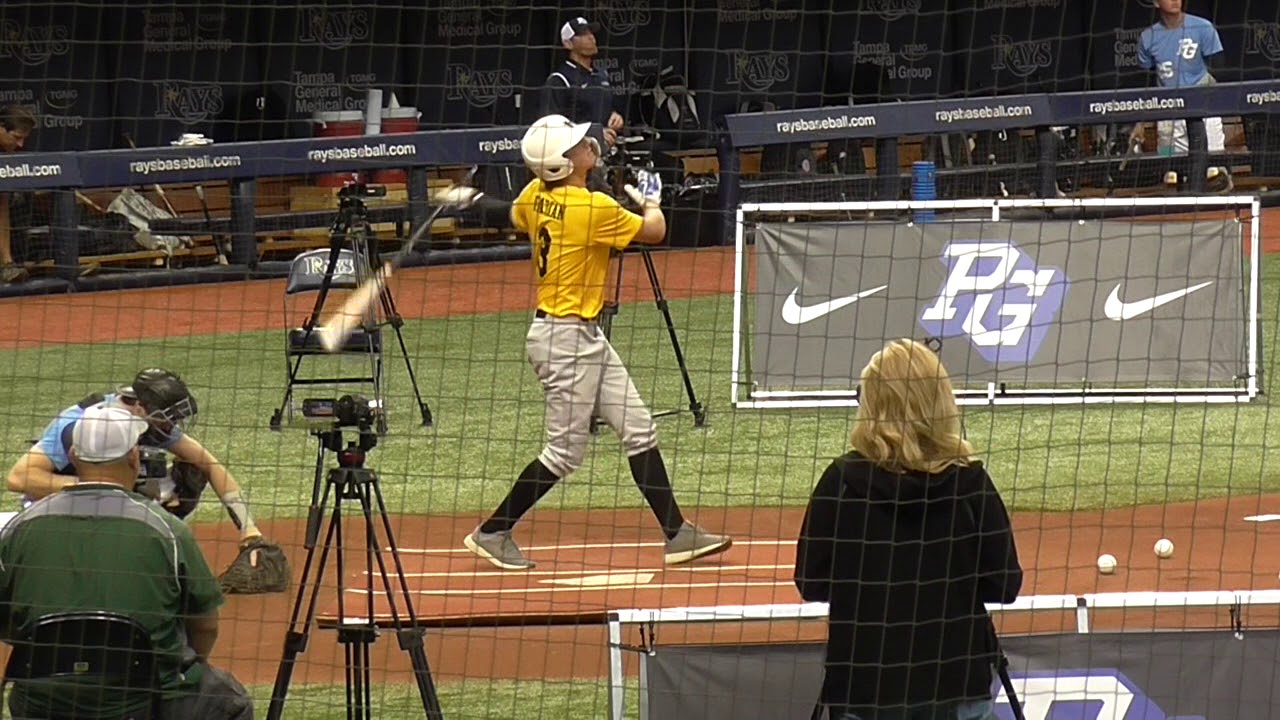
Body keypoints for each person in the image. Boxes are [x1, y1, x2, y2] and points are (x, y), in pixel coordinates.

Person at [440, 114, 732, 570]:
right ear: (562, 164)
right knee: (564, 452)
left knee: (638, 427)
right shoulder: (591, 208)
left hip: (580, 334)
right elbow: (655, 232)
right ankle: (494, 531)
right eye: (577, 144)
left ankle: (678, 533)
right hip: (565, 340)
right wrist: (651, 201)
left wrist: (472, 198)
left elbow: (509, 213)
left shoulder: (538, 195)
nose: (587, 145)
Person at [794, 339, 1023, 720]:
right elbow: (1005, 585)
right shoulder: (970, 483)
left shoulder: (842, 482)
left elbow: (811, 582)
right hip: (957, 683)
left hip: (864, 688)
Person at [0, 403, 253, 720]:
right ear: (134, 457)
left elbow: (7, 621)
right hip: (144, 701)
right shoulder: (167, 530)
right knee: (232, 702)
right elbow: (205, 625)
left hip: (42, 703)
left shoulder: (19, 530)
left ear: (75, 457)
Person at [6, 367, 266, 546]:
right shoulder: (81, 423)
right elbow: (18, 478)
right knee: (138, 486)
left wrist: (248, 528)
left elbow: (209, 463)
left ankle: (140, 541)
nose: (171, 426)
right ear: (140, 408)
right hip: (53, 510)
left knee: (189, 471)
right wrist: (97, 488)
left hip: (107, 504)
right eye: (167, 418)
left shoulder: (151, 421)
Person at [1136, 0, 1227, 160]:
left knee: (1215, 170)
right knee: (1171, 172)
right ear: (1156, 3)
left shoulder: (1202, 27)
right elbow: (1147, 80)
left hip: (1205, 109)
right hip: (1169, 115)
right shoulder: (1147, 37)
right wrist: (1140, 121)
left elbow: (1219, 69)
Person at [542, 16, 625, 150]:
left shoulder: (600, 75)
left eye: (591, 32)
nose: (591, 37)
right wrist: (593, 134)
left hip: (609, 152)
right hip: (578, 156)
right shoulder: (560, 80)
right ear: (568, 44)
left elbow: (604, 111)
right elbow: (550, 127)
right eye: (583, 34)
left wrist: (615, 117)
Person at [0, 104, 36, 284]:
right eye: (16, 137)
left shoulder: (4, 155)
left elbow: (2, 208)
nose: (20, 144)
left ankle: (9, 264)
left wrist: (7, 260)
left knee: (19, 199)